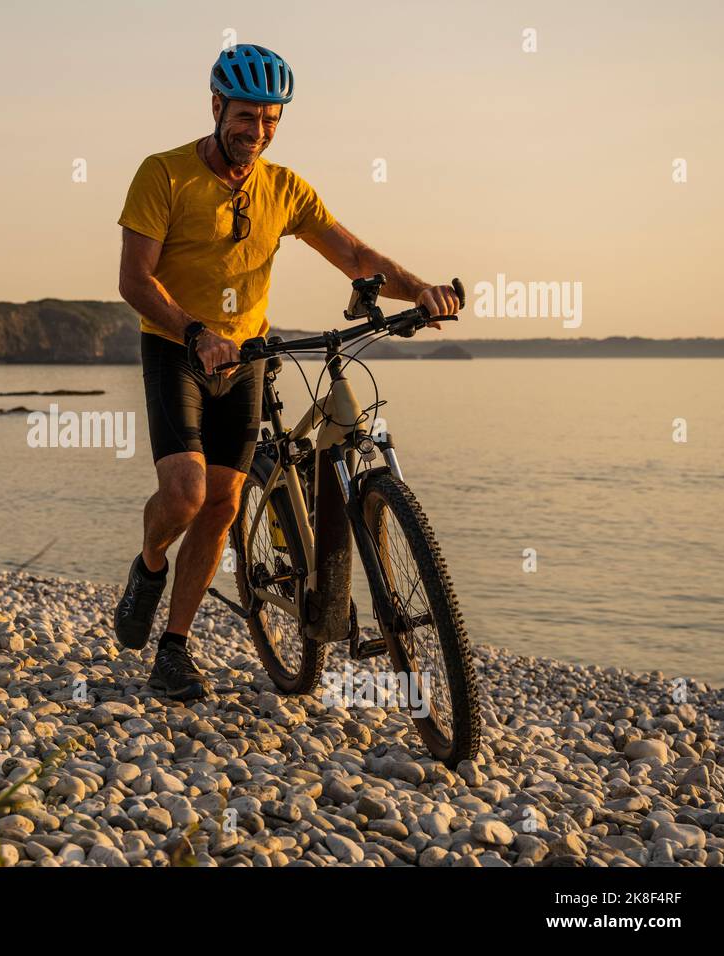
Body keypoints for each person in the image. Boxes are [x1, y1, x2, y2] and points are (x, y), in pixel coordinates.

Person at [114, 43, 461, 701]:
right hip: (175, 347)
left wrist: (416, 289)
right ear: (217, 106)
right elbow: (135, 278)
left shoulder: (284, 188)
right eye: (248, 116)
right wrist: (194, 331)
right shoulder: (162, 175)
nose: (259, 132)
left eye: (272, 119)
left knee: (222, 502)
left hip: (248, 353)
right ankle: (150, 562)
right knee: (185, 495)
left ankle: (174, 649)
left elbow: (353, 252)